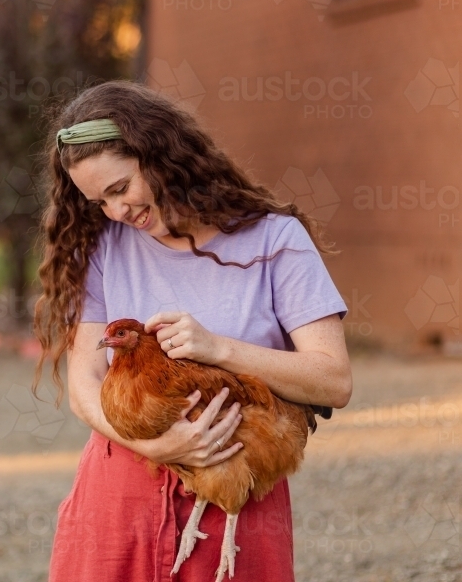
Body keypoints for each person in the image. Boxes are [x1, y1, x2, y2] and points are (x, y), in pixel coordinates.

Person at [32, 81, 353, 582]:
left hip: (238, 491)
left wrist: (219, 348)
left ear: (159, 154)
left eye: (120, 189)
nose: (116, 212)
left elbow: (334, 381)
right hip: (121, 491)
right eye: (99, 202)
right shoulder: (101, 247)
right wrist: (156, 448)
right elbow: (83, 384)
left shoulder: (274, 240)